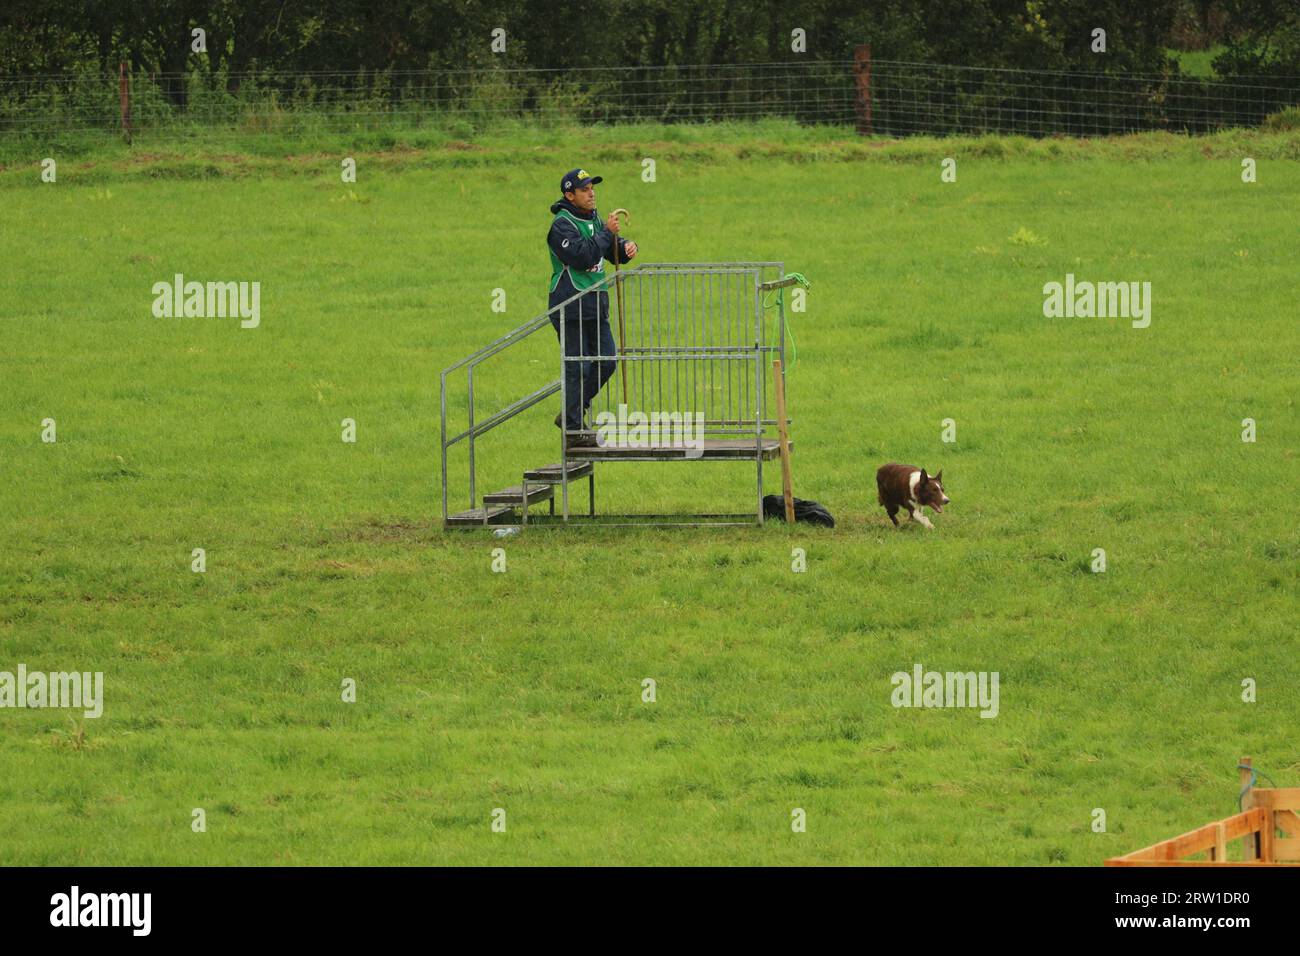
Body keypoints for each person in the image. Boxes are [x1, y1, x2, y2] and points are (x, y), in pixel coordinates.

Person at [546, 167, 638, 446]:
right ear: (569, 194)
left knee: (607, 360)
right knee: (578, 367)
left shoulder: (594, 219)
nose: (591, 193)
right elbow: (581, 255)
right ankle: (574, 430)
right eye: (585, 189)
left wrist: (623, 247)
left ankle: (571, 412)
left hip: (596, 303)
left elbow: (606, 251)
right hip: (570, 304)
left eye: (592, 188)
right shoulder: (561, 225)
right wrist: (606, 234)